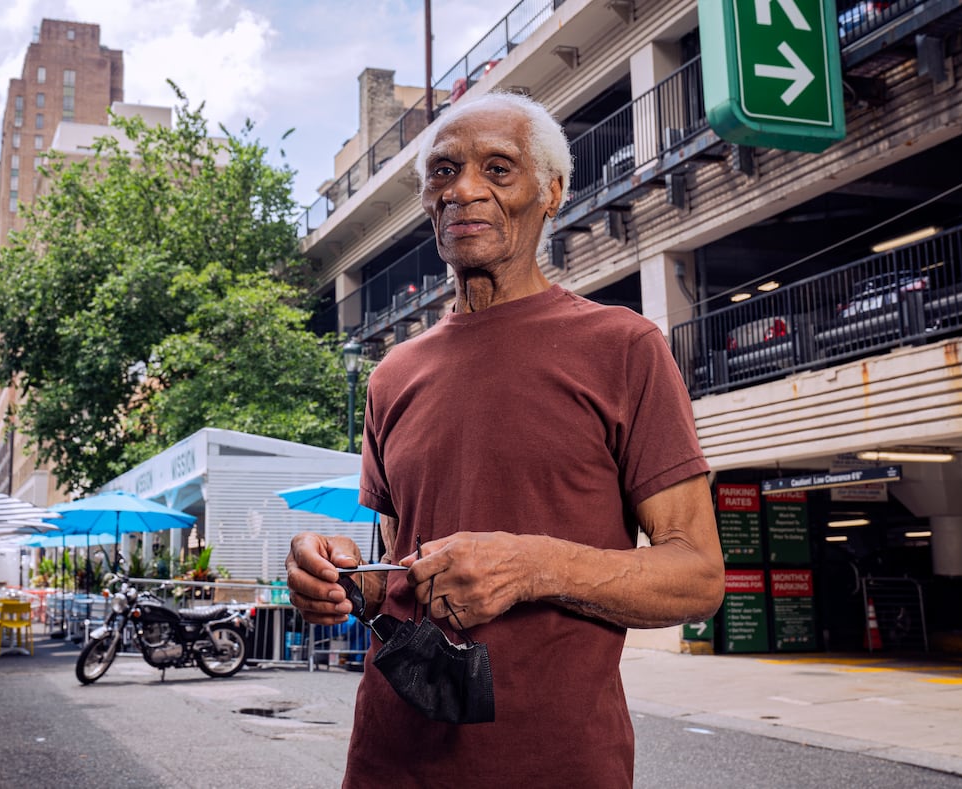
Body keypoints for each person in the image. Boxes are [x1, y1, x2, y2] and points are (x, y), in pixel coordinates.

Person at [286, 92, 724, 787]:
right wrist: (339, 580)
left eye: (498, 168)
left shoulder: (624, 348)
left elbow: (698, 576)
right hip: (388, 759)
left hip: (553, 765)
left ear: (551, 192)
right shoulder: (392, 376)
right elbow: (403, 568)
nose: (464, 189)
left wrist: (532, 567)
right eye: (443, 171)